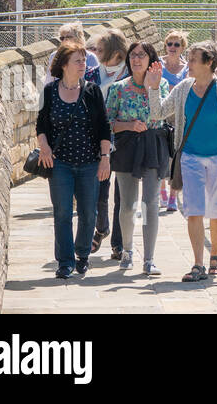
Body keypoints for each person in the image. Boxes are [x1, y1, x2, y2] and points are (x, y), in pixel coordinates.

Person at [146, 41, 217, 283]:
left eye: (192, 60)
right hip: (190, 157)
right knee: (193, 210)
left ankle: (215, 254)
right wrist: (152, 88)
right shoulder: (183, 89)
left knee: (216, 210)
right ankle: (198, 264)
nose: (187, 64)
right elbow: (157, 113)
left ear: (208, 63)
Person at [36, 39, 111, 279]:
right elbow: (41, 125)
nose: (83, 64)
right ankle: (65, 262)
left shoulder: (91, 91)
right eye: (78, 60)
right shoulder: (49, 91)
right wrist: (44, 148)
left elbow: (103, 127)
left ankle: (83, 255)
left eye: (84, 60)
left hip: (89, 162)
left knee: (89, 213)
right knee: (63, 212)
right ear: (65, 64)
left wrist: (105, 158)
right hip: (60, 164)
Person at [107, 41, 170, 276]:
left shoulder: (162, 85)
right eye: (133, 55)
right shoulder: (119, 88)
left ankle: (149, 259)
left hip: (153, 144)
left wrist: (152, 88)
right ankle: (127, 252)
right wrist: (129, 125)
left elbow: (161, 114)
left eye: (141, 55)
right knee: (128, 203)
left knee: (151, 202)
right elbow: (107, 122)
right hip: (127, 146)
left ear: (150, 59)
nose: (136, 59)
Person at [82, 30, 128, 257]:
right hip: (98, 140)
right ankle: (102, 228)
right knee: (99, 190)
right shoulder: (91, 75)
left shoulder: (130, 75)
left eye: (100, 49)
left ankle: (118, 244)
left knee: (122, 194)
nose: (95, 53)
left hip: (125, 138)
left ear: (115, 52)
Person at [158, 31, 189, 211]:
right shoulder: (158, 64)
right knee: (162, 152)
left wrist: (169, 88)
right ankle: (161, 190)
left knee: (177, 155)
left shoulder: (186, 67)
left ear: (182, 47)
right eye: (169, 44)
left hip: (179, 116)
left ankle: (173, 195)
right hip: (162, 113)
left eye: (176, 45)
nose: (172, 48)